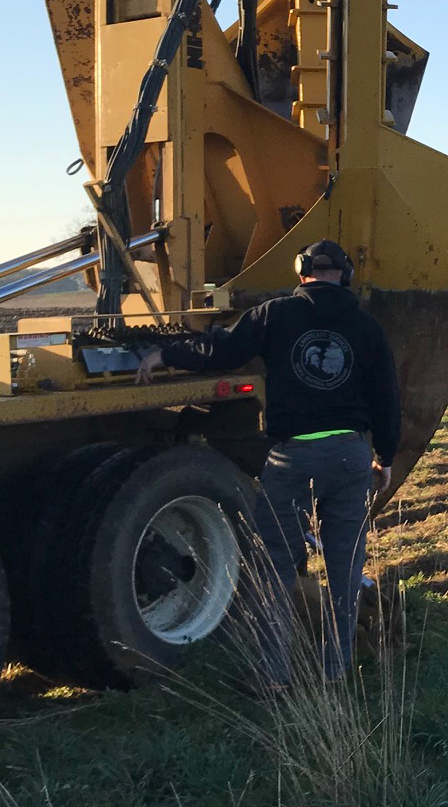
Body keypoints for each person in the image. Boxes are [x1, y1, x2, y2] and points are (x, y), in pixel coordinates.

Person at [134, 239, 400, 689]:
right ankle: (336, 670)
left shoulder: (273, 314)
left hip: (290, 456)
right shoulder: (365, 326)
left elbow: (222, 352)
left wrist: (166, 354)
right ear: (346, 275)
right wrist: (386, 456)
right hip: (347, 454)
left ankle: (273, 674)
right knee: (345, 564)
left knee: (274, 564)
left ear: (301, 273)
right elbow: (386, 398)